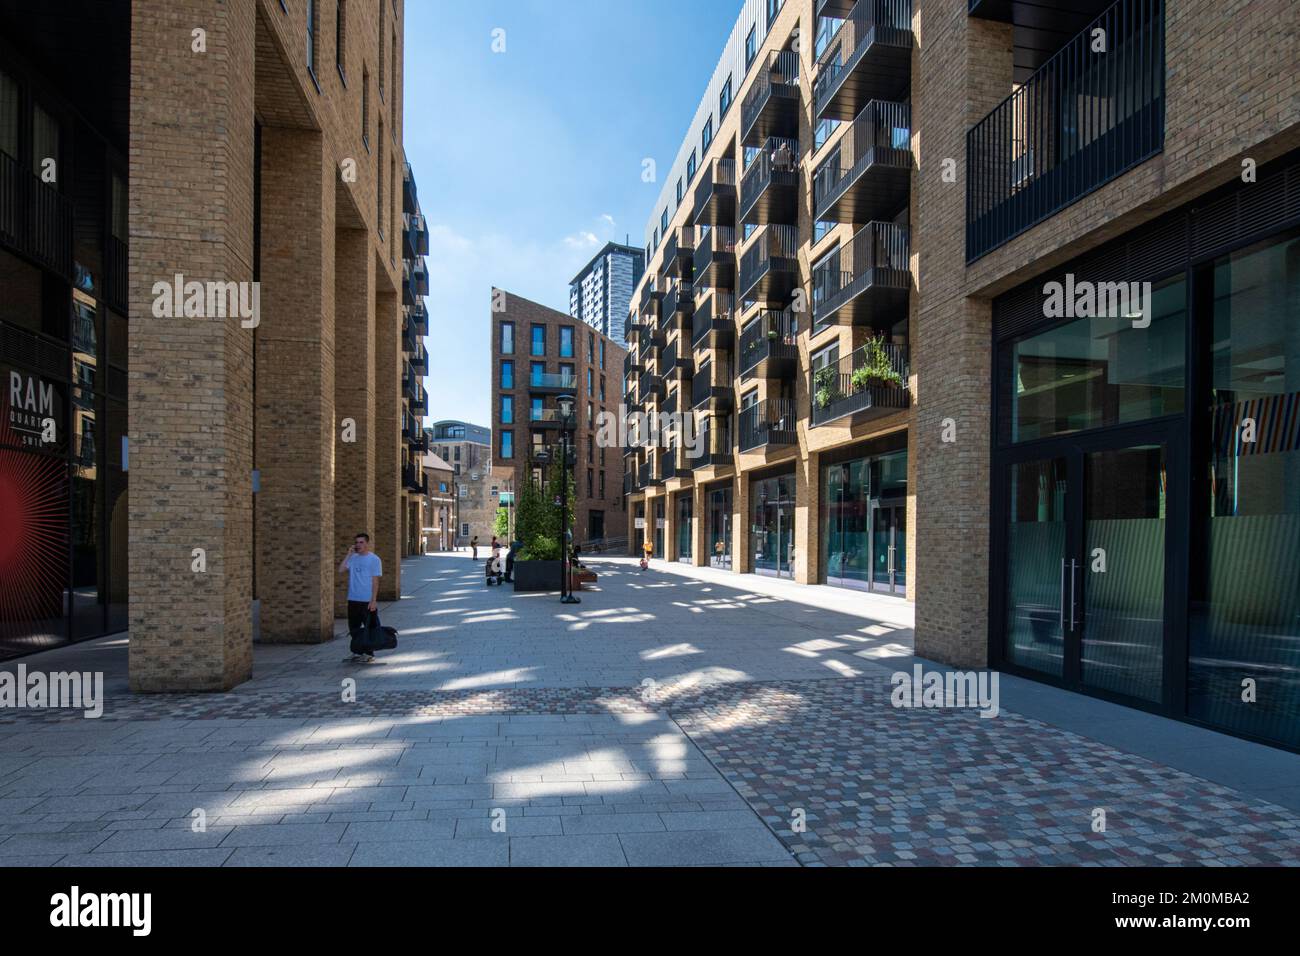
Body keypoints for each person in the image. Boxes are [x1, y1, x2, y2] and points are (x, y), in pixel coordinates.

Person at [338, 532, 383, 662]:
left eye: (361, 542)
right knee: (354, 628)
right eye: (356, 542)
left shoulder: (374, 559)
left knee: (369, 627)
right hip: (353, 598)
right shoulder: (353, 558)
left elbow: (375, 581)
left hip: (366, 600)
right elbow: (341, 570)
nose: (358, 545)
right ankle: (357, 652)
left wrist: (373, 600)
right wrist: (349, 554)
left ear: (367, 544)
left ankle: (369, 654)